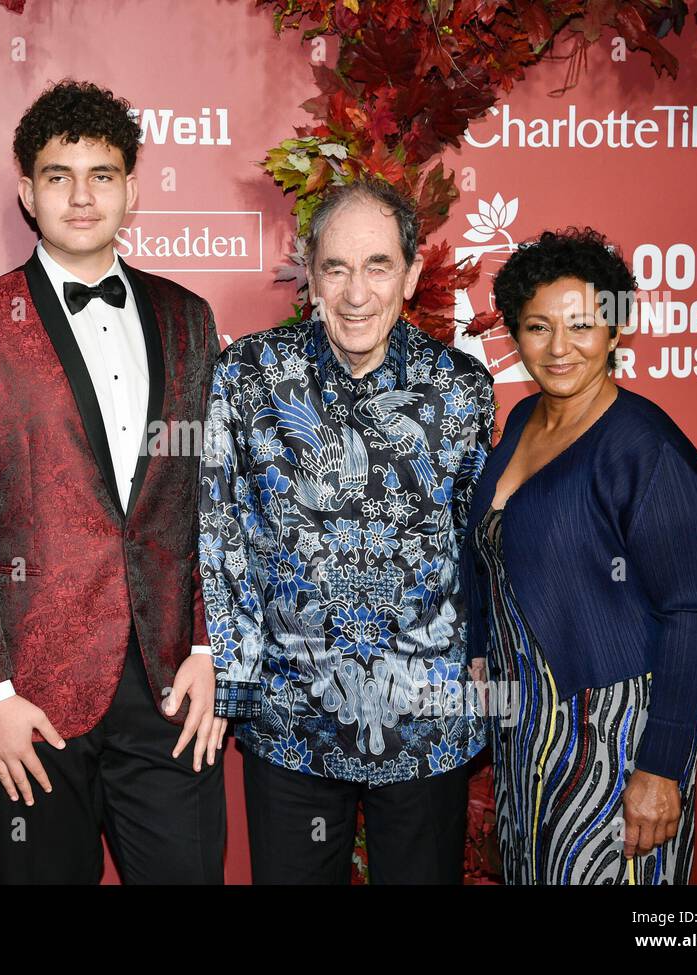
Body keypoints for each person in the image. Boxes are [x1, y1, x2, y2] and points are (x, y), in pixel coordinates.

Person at [0, 79, 225, 884]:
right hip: (29, 703)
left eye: (102, 174)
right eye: (58, 176)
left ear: (131, 186)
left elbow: (209, 499)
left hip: (168, 691)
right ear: (27, 190)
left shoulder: (189, 316)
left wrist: (205, 642)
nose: (82, 196)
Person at [200, 179, 495, 884]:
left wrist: (482, 675)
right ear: (311, 273)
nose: (356, 291)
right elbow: (221, 528)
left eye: (378, 265)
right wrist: (238, 679)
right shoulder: (249, 375)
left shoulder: (461, 388)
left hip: (429, 723)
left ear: (413, 273)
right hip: (292, 720)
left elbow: (477, 546)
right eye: (336, 267)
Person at [461, 227, 697, 884]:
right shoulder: (523, 420)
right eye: (537, 326)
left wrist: (660, 766)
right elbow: (491, 559)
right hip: (529, 737)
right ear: (515, 335)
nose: (558, 348)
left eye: (580, 325)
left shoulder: (645, 447)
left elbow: (691, 612)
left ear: (614, 329)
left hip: (615, 741)